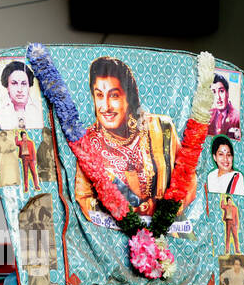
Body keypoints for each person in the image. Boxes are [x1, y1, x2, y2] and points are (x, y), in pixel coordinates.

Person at [74, 56, 194, 226]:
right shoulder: (88, 142)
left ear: (129, 96)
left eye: (114, 95)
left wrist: (164, 217)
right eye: (99, 95)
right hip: (115, 241)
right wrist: (128, 218)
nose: (105, 106)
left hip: (168, 234)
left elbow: (187, 177)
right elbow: (84, 198)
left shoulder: (161, 127)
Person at [0, 61, 43, 128]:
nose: (20, 90)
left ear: (29, 85)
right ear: (7, 86)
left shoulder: (39, 110)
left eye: (23, 83)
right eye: (14, 83)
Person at [207, 74, 241, 140]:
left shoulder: (236, 117)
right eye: (214, 92)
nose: (218, 97)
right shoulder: (208, 115)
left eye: (221, 91)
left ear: (227, 93)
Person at [15, 127, 40, 191]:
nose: (24, 137)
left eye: (25, 135)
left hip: (31, 159)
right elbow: (16, 143)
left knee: (34, 173)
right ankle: (26, 187)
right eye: (23, 136)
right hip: (24, 159)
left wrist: (35, 160)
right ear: (21, 137)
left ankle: (36, 185)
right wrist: (16, 136)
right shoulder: (20, 142)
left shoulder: (30, 142)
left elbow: (33, 151)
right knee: (25, 174)